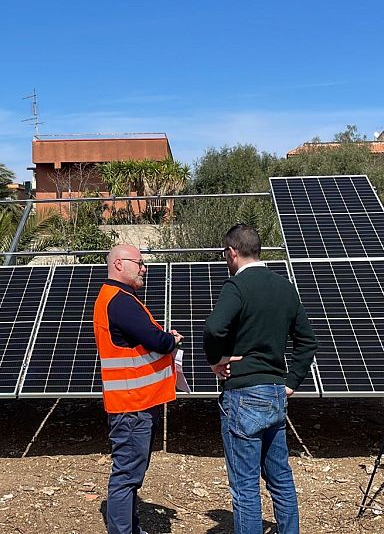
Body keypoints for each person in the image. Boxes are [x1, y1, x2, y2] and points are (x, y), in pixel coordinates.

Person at [204, 224, 317, 534]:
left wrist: (216, 360)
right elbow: (307, 340)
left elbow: (214, 328)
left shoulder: (236, 287)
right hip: (275, 394)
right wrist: (292, 380)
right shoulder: (285, 287)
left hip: (243, 395)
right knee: (280, 478)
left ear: (232, 252)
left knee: (245, 488)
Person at [93, 243, 182, 534]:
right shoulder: (119, 300)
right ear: (119, 264)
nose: (144, 268)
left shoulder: (115, 298)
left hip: (133, 403)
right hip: (132, 405)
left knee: (130, 473)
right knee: (127, 475)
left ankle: (131, 527)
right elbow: (153, 339)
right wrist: (171, 341)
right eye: (140, 262)